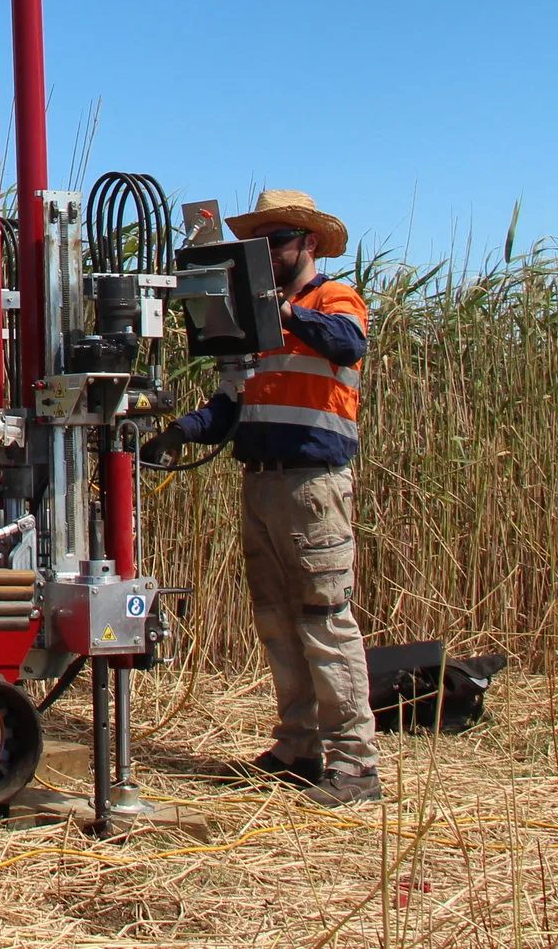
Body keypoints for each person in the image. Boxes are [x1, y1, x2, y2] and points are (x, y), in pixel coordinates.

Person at [142, 189, 380, 805]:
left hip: (313, 486)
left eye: (277, 241)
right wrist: (178, 433)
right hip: (261, 482)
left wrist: (282, 311)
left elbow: (347, 344)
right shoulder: (250, 326)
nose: (266, 253)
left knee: (324, 619)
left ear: (309, 243)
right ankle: (297, 748)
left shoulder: (333, 300)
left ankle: (355, 764)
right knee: (277, 620)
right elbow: (229, 405)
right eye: (258, 243)